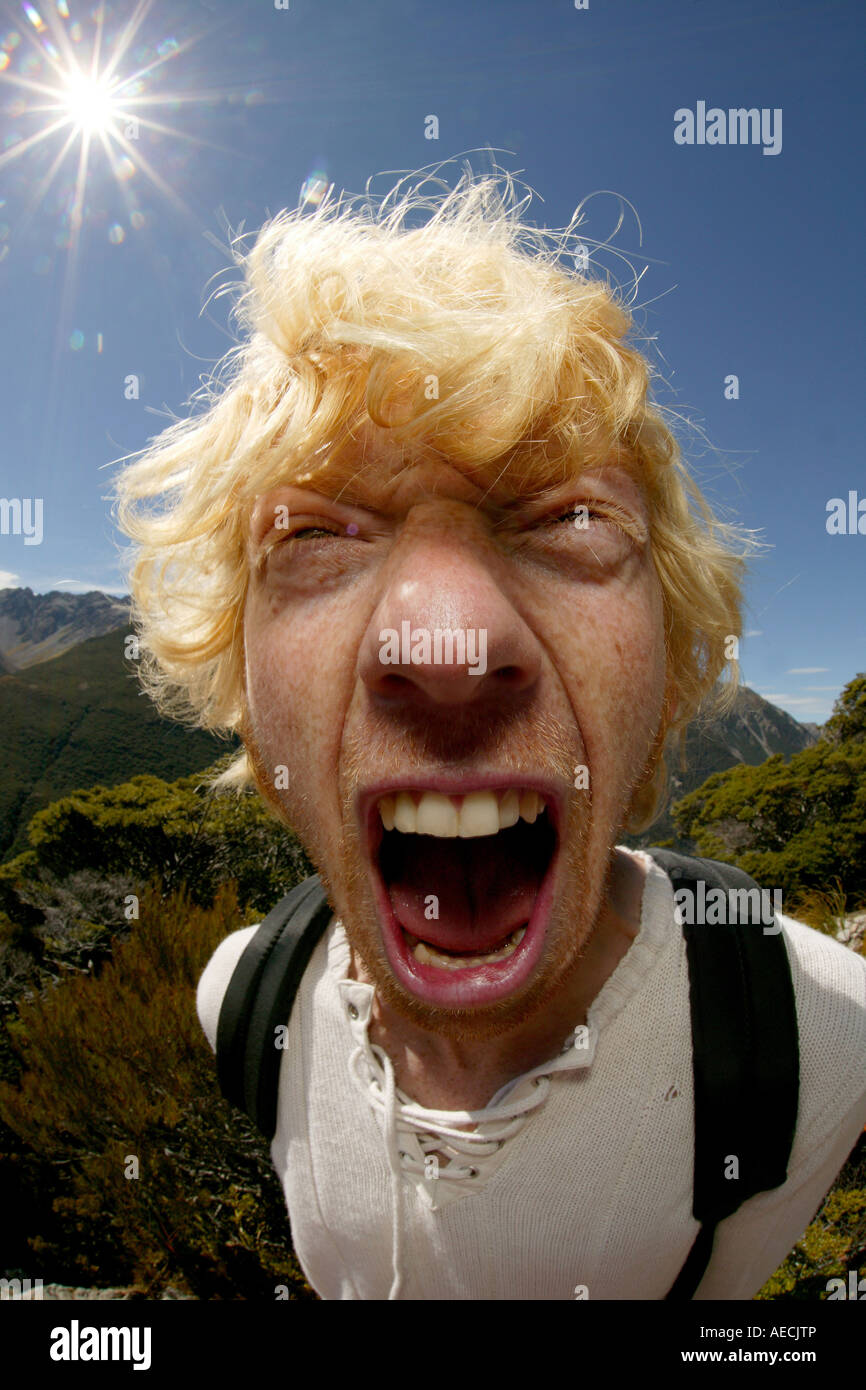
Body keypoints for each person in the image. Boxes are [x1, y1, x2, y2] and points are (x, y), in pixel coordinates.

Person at [114, 169, 866, 1300]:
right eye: (315, 533)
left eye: (567, 517)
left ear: (669, 674)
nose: (447, 641)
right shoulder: (240, 1002)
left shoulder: (827, 1042)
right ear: (239, 685)